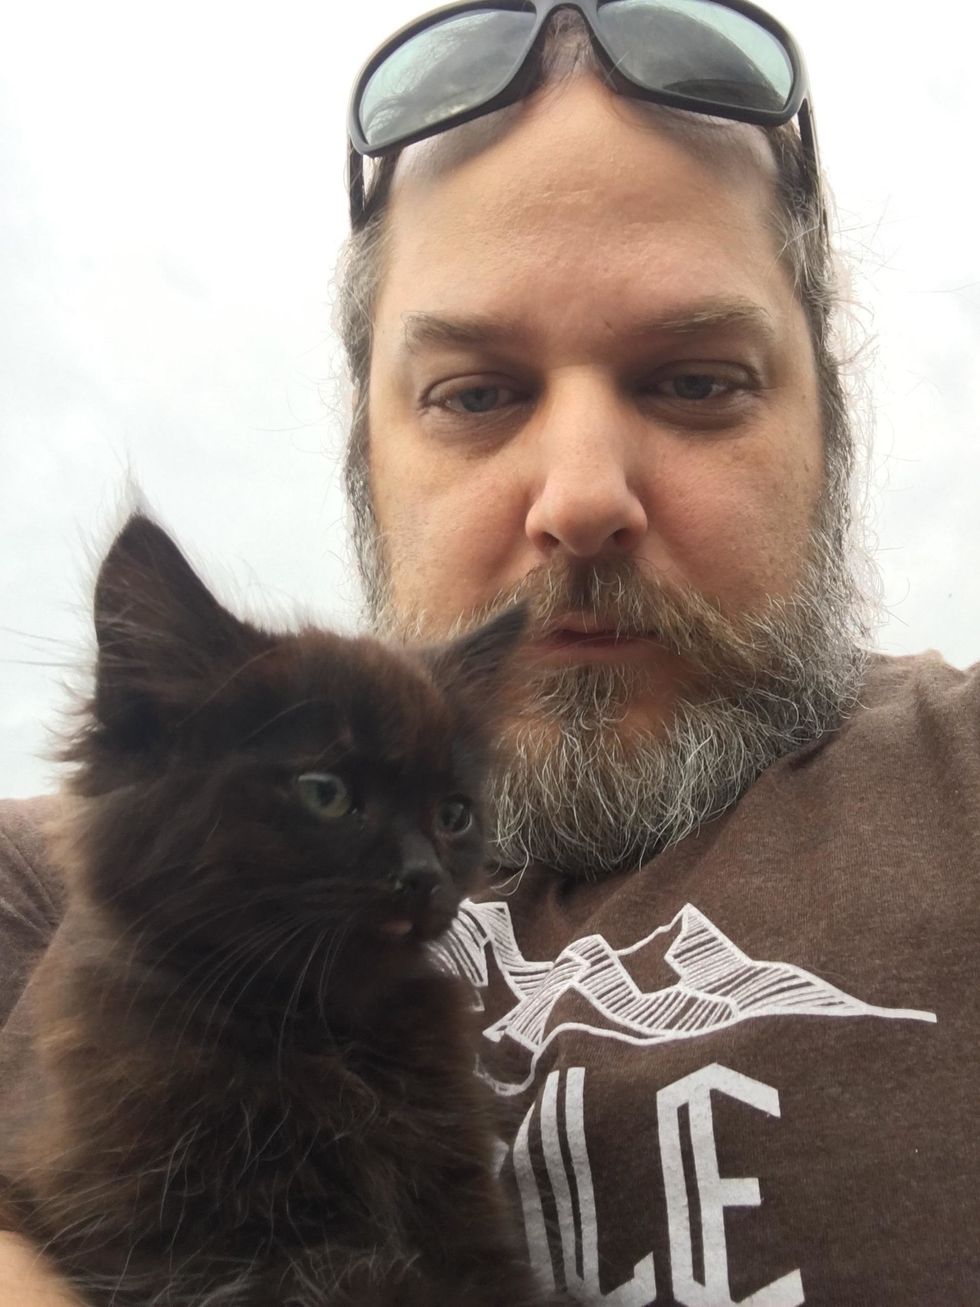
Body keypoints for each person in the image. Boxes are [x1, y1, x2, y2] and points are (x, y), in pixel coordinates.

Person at [1, 2, 977, 1304]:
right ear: (364, 453)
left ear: (831, 426)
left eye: (695, 381)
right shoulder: (57, 880)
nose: (581, 495)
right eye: (476, 393)